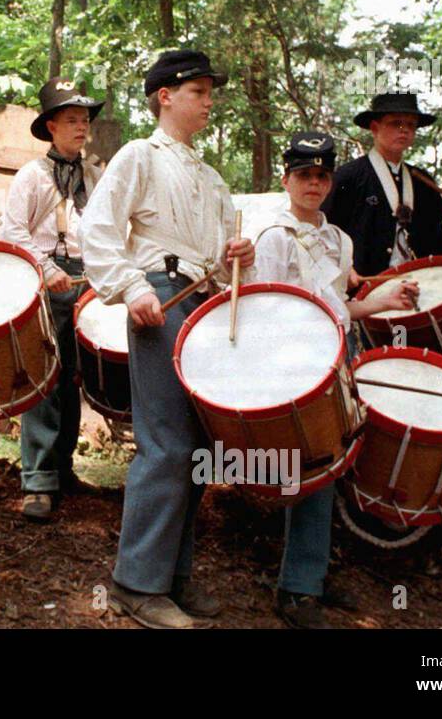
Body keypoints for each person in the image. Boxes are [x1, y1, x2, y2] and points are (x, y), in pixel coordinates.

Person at [82, 49, 254, 629]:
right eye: (200, 92)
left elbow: (233, 268)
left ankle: (172, 578)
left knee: (197, 447)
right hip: (162, 296)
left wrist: (240, 259)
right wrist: (132, 288)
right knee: (165, 442)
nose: (209, 102)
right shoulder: (138, 156)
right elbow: (98, 227)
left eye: (210, 93)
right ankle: (135, 583)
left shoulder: (211, 179)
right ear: (166, 96)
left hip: (204, 307)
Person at [253, 131, 419, 628]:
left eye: (322, 175)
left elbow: (338, 307)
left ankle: (313, 572)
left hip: (336, 352)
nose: (314, 183)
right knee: (309, 463)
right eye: (304, 175)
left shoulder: (338, 240)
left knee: (337, 461)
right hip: (292, 358)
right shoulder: (273, 238)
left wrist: (381, 303)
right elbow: (266, 307)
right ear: (286, 180)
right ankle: (297, 588)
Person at [0, 77, 104, 523]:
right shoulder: (32, 176)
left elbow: (105, 231)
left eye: (84, 119)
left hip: (85, 282)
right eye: (71, 120)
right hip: (47, 279)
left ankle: (64, 468)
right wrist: (47, 271)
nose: (80, 127)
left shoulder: (97, 176)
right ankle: (38, 480)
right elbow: (14, 233)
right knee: (44, 378)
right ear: (51, 127)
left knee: (74, 379)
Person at [323, 92, 442, 279]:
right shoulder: (348, 177)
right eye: (396, 123)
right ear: (374, 127)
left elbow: (438, 249)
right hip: (363, 292)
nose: (404, 130)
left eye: (411, 124)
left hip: (418, 287)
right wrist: (344, 269)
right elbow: (324, 233)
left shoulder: (423, 182)